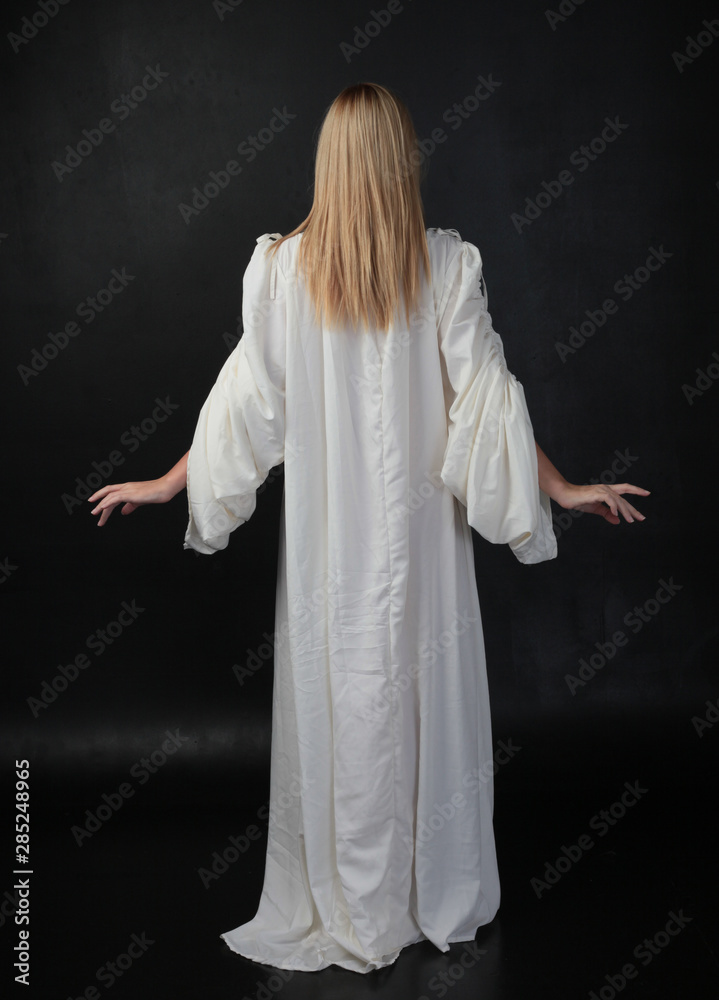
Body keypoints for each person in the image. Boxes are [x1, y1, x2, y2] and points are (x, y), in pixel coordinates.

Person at [87, 82, 649, 973]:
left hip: (332, 548)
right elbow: (481, 403)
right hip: (418, 547)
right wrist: (563, 487)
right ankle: (422, 891)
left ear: (331, 160)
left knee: (347, 699)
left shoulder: (308, 270)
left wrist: (166, 482)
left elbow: (255, 404)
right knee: (410, 700)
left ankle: (361, 896)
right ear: (399, 159)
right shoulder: (425, 265)